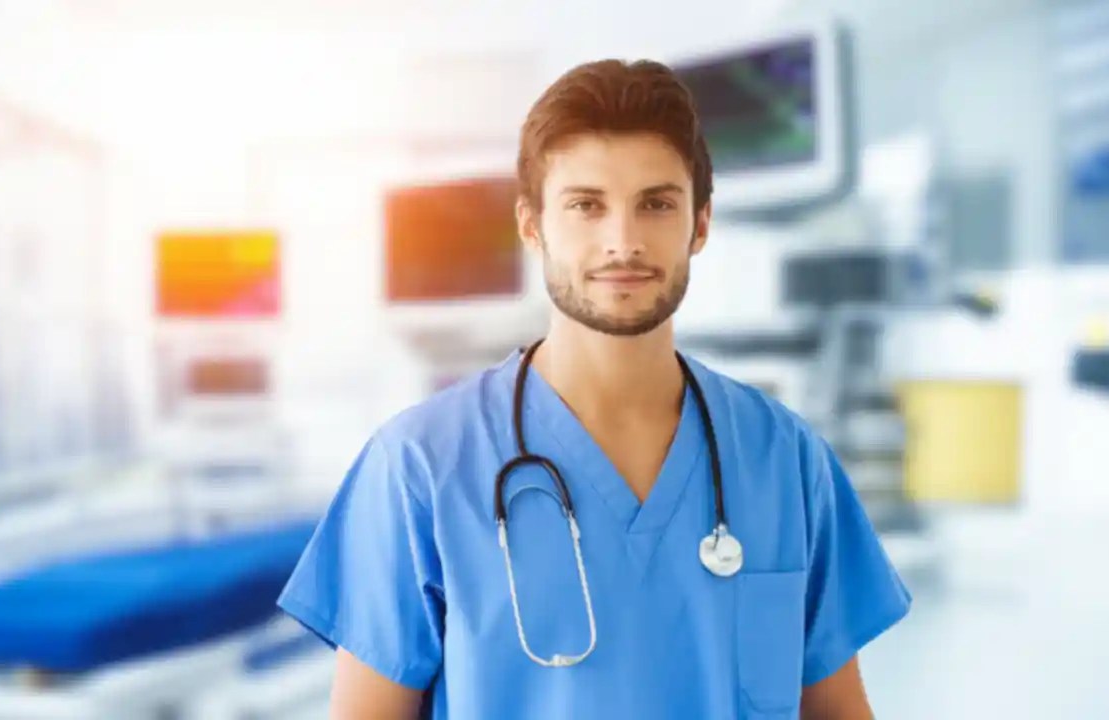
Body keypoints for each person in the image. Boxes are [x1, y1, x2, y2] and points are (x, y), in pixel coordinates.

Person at [278, 58, 912, 720]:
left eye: (657, 204)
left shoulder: (784, 460)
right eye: (586, 206)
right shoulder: (420, 467)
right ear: (532, 225)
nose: (623, 241)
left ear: (699, 225)